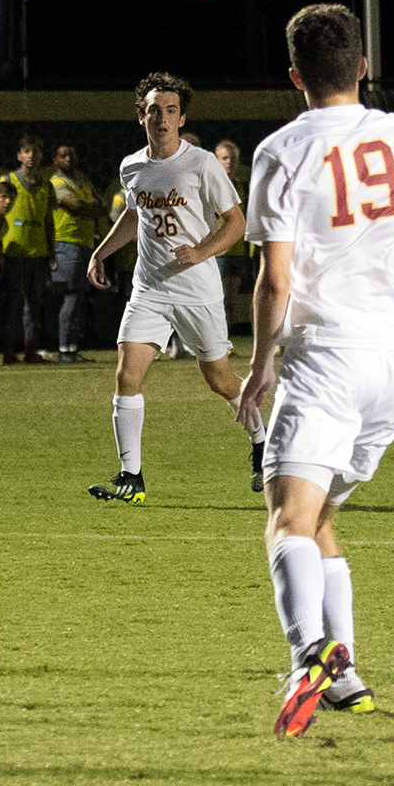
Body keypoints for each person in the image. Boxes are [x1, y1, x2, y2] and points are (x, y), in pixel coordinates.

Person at [238, 2, 394, 738]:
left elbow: (275, 281)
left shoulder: (282, 151)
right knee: (321, 517)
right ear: (362, 67)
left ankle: (304, 657)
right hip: (393, 362)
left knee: (286, 518)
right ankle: (345, 672)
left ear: (295, 77)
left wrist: (259, 366)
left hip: (325, 358)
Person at [85, 72, 267, 503]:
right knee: (127, 374)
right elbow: (134, 215)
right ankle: (131, 477)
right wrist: (101, 252)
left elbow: (236, 223)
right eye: (153, 110)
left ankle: (262, 443)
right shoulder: (132, 166)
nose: (162, 118)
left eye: (170, 110)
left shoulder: (201, 163)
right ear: (141, 117)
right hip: (149, 289)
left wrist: (202, 252)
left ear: (181, 118)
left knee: (220, 380)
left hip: (196, 292)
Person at [0, 134, 57, 366]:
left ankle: (31, 350)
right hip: (14, 251)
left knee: (35, 304)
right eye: (27, 151)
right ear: (19, 155)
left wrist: (51, 250)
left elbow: (49, 221)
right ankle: (9, 351)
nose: (32, 156)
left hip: (38, 253)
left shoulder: (47, 185)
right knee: (13, 304)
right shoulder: (8, 180)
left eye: (36, 151)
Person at [50, 144, 101, 363]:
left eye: (71, 154)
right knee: (70, 295)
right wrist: (86, 205)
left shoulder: (82, 181)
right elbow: (75, 207)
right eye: (63, 155)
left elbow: (101, 206)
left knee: (80, 296)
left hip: (85, 242)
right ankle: (64, 349)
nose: (68, 158)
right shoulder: (56, 182)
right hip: (66, 242)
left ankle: (72, 347)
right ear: (55, 160)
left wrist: (88, 204)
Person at [212, 139, 253, 320]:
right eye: (225, 158)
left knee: (231, 299)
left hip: (237, 250)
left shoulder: (242, 187)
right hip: (217, 251)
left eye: (233, 159)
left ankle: (226, 337)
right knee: (216, 297)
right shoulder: (210, 187)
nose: (229, 162)